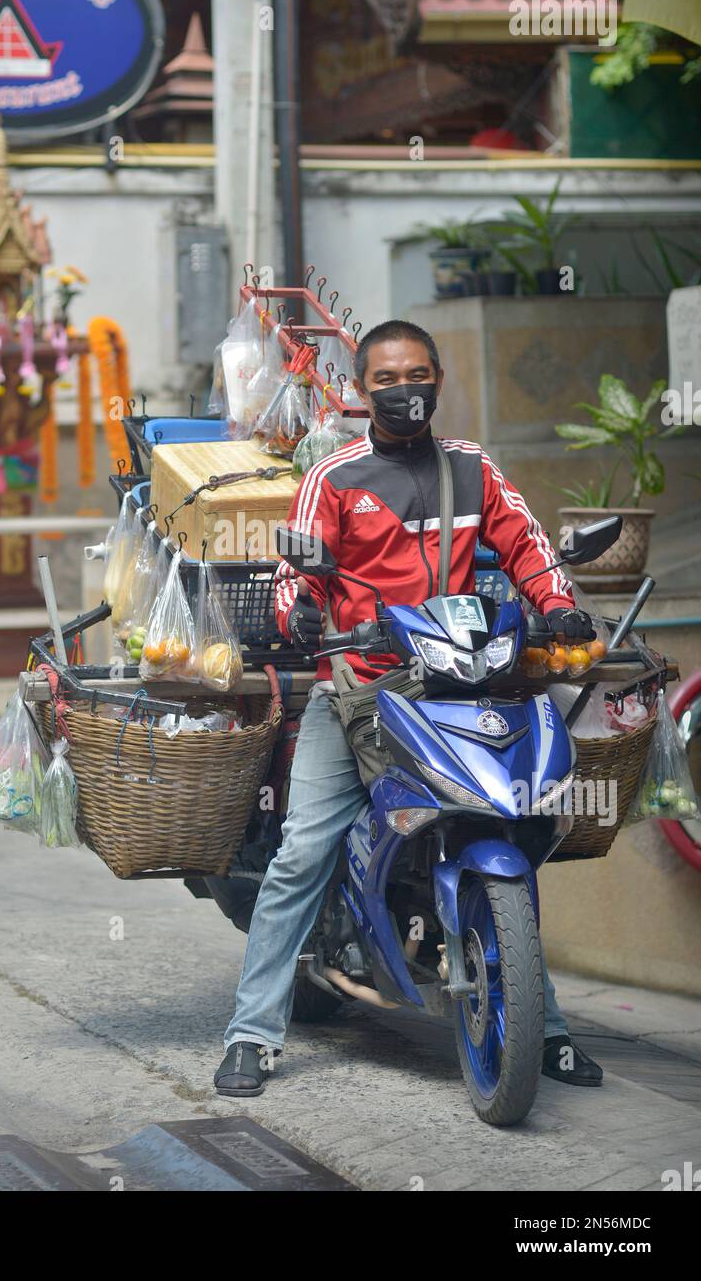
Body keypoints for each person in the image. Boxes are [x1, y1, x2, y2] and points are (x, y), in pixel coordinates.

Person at [214, 319, 603, 1097]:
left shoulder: (471, 468)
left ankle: (545, 1029)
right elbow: (298, 564)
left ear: (438, 379)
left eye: (416, 374)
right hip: (359, 688)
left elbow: (525, 544)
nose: (403, 390)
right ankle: (251, 1034)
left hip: (459, 685)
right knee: (303, 853)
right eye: (385, 379)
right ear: (361, 392)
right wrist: (296, 610)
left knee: (504, 836)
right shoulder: (336, 476)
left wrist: (557, 604)